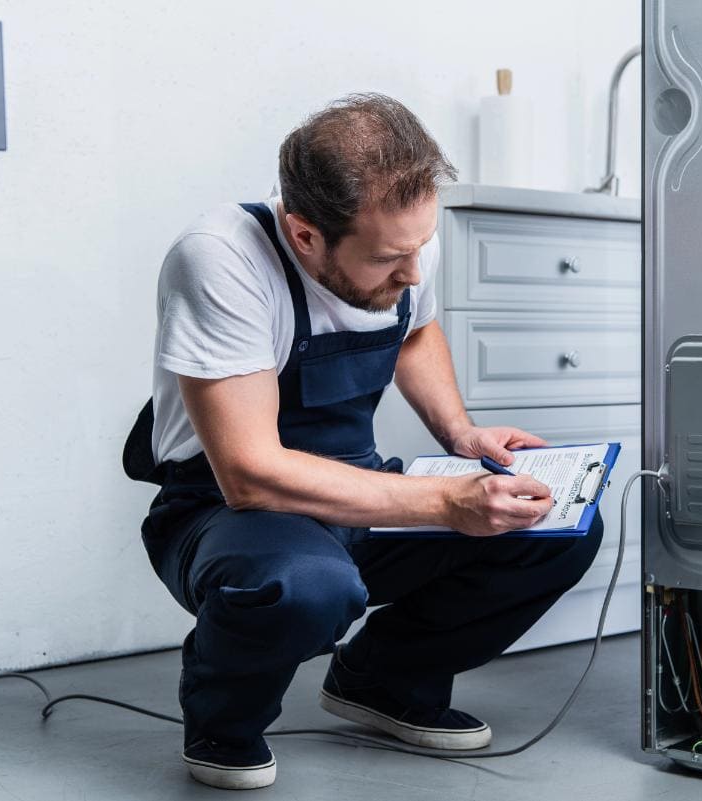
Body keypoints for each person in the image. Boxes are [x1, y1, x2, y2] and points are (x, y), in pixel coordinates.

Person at [127, 93, 603, 790]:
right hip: (227, 511)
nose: (412, 271)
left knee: (554, 524)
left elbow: (414, 327)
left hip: (357, 487)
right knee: (305, 585)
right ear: (306, 234)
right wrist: (446, 500)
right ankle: (223, 720)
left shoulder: (404, 236)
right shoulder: (221, 259)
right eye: (388, 258)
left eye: (419, 249)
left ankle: (383, 679)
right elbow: (250, 474)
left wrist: (459, 432)